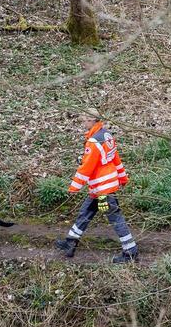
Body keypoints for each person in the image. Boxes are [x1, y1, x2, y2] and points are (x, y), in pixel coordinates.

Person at [55, 109, 139, 263]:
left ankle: (131, 252)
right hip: (102, 188)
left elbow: (86, 167)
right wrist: (122, 177)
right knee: (86, 212)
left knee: (115, 218)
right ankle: (71, 242)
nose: (83, 123)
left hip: (102, 189)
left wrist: (74, 187)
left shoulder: (94, 142)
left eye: (85, 120)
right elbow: (116, 159)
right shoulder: (106, 135)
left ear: (92, 120)